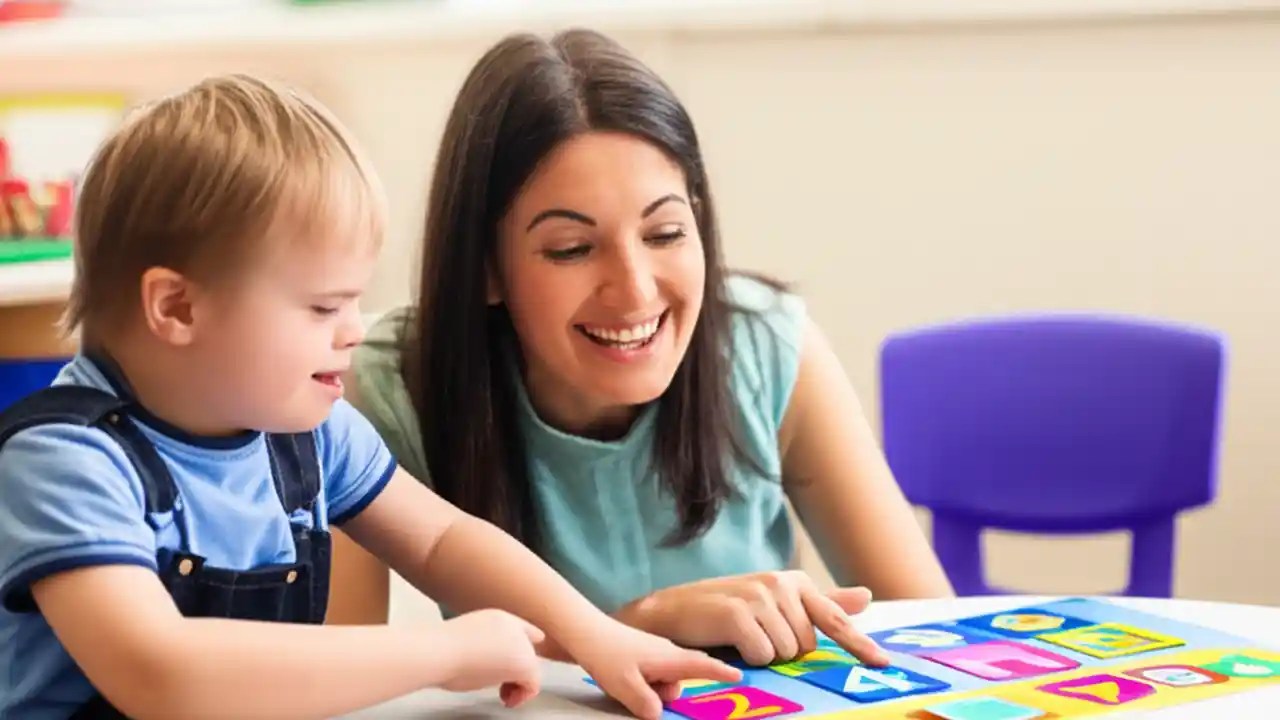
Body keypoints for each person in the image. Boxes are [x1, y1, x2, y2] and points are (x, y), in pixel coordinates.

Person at [0, 73, 742, 720]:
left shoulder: (303, 431)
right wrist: (441, 653)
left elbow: (442, 541)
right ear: (178, 308)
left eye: (355, 300)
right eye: (323, 307)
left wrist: (596, 636)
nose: (355, 330)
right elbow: (157, 672)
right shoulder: (66, 461)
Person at [343, 28, 954, 668]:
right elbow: (337, 686)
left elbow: (937, 633)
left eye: (664, 233)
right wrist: (632, 629)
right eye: (572, 249)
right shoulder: (376, 389)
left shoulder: (767, 344)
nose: (635, 291)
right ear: (485, 267)